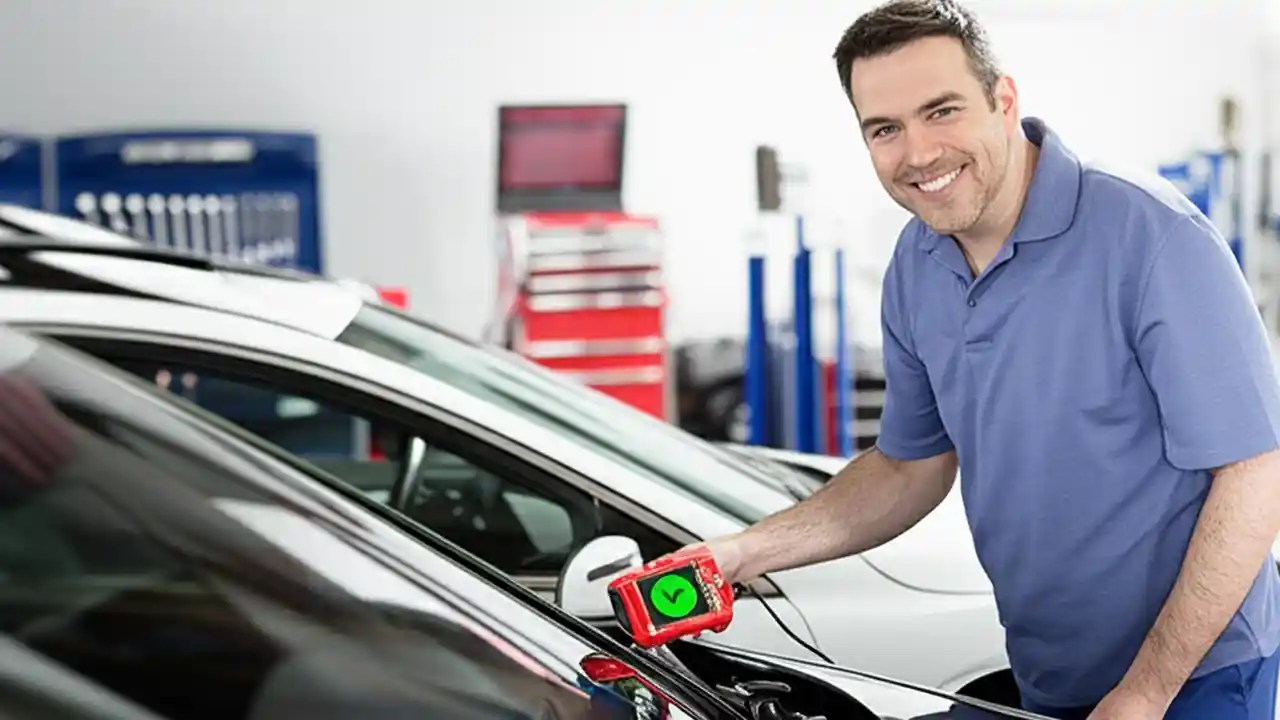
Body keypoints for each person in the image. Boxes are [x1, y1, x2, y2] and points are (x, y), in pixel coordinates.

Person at [681, 2, 1280, 718]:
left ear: (1004, 100)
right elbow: (909, 467)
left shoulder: (1151, 237)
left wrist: (1146, 693)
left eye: (941, 111)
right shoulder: (917, 260)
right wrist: (743, 555)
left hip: (1193, 678)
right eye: (886, 129)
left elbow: (1255, 472)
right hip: (1049, 672)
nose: (919, 153)